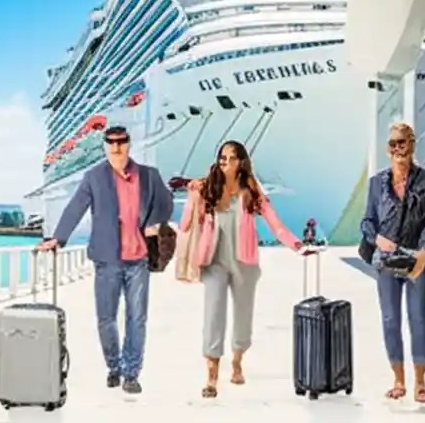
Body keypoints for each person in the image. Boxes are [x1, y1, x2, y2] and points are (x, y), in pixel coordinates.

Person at [36, 125, 174, 395]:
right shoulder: (94, 177)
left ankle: (131, 374)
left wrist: (155, 222)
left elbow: (166, 202)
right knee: (106, 319)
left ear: (128, 144)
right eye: (110, 142)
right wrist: (58, 238)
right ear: (105, 145)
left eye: (121, 142)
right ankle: (114, 366)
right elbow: (76, 207)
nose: (116, 147)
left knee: (137, 319)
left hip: (139, 260)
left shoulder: (148, 175)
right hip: (107, 259)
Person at [178, 139, 310, 398]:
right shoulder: (207, 188)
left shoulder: (250, 189)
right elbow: (184, 226)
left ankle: (237, 359)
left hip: (244, 263)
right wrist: (192, 199)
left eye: (229, 157)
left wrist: (297, 245)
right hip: (213, 261)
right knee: (213, 315)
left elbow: (275, 223)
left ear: (240, 162)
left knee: (243, 317)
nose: (224, 161)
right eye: (221, 157)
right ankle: (212, 375)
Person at [360, 121, 425, 404]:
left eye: (403, 142)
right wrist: (378, 239)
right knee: (390, 320)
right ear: (388, 149)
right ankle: (398, 379)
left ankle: (420, 381)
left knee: (418, 318)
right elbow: (367, 221)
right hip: (387, 261)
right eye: (393, 143)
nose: (398, 148)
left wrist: (424, 252)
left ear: (412, 144)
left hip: (416, 260)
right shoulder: (376, 184)